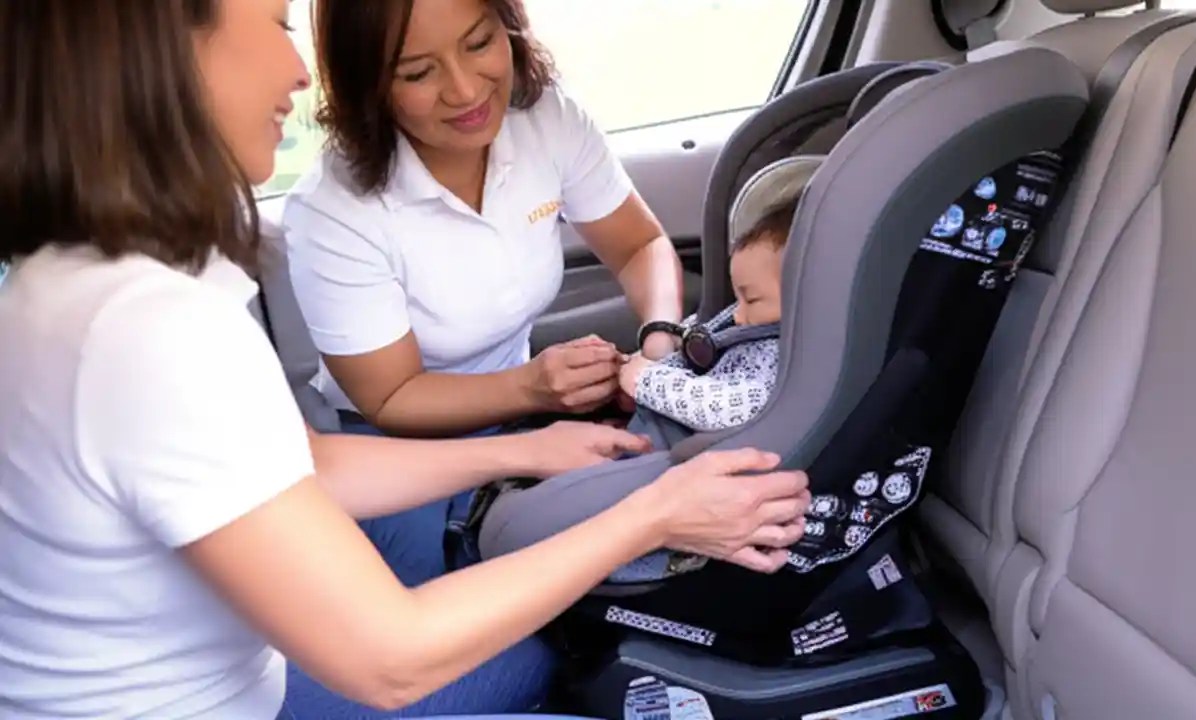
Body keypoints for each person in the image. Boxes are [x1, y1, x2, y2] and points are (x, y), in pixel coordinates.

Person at [0, 2, 811, 719]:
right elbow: (391, 662)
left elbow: (301, 465)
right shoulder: (149, 332)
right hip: (229, 697)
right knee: (588, 659)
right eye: (278, 26)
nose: (293, 68)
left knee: (559, 641)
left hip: (240, 675)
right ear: (165, 57)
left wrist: (524, 447)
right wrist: (656, 512)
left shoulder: (90, 285)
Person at [281, 0, 685, 443]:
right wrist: (532, 388)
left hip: (526, 398)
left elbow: (639, 247)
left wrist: (659, 343)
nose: (465, 90)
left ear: (508, 25)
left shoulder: (547, 119)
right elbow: (391, 398)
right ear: (368, 85)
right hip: (401, 443)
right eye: (418, 72)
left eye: (479, 43)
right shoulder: (331, 210)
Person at [608, 195, 797, 583]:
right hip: (667, 435)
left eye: (752, 298)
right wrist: (658, 354)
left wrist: (647, 380)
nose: (739, 313)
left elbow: (726, 409)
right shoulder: (752, 318)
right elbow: (711, 331)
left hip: (702, 453)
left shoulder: (784, 352)